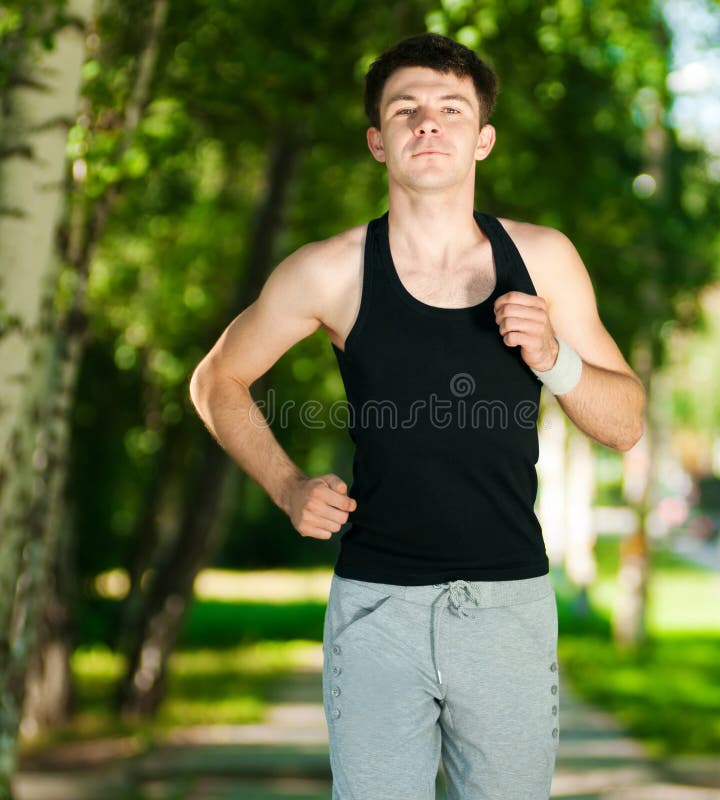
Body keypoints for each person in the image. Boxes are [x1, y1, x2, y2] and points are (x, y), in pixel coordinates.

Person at [190, 32, 645, 800]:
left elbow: (626, 421)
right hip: (377, 607)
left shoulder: (545, 261)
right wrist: (287, 485)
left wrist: (556, 357)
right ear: (377, 140)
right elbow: (216, 379)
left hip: (510, 608)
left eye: (450, 109)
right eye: (406, 110)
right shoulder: (329, 270)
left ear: (483, 138)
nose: (427, 124)